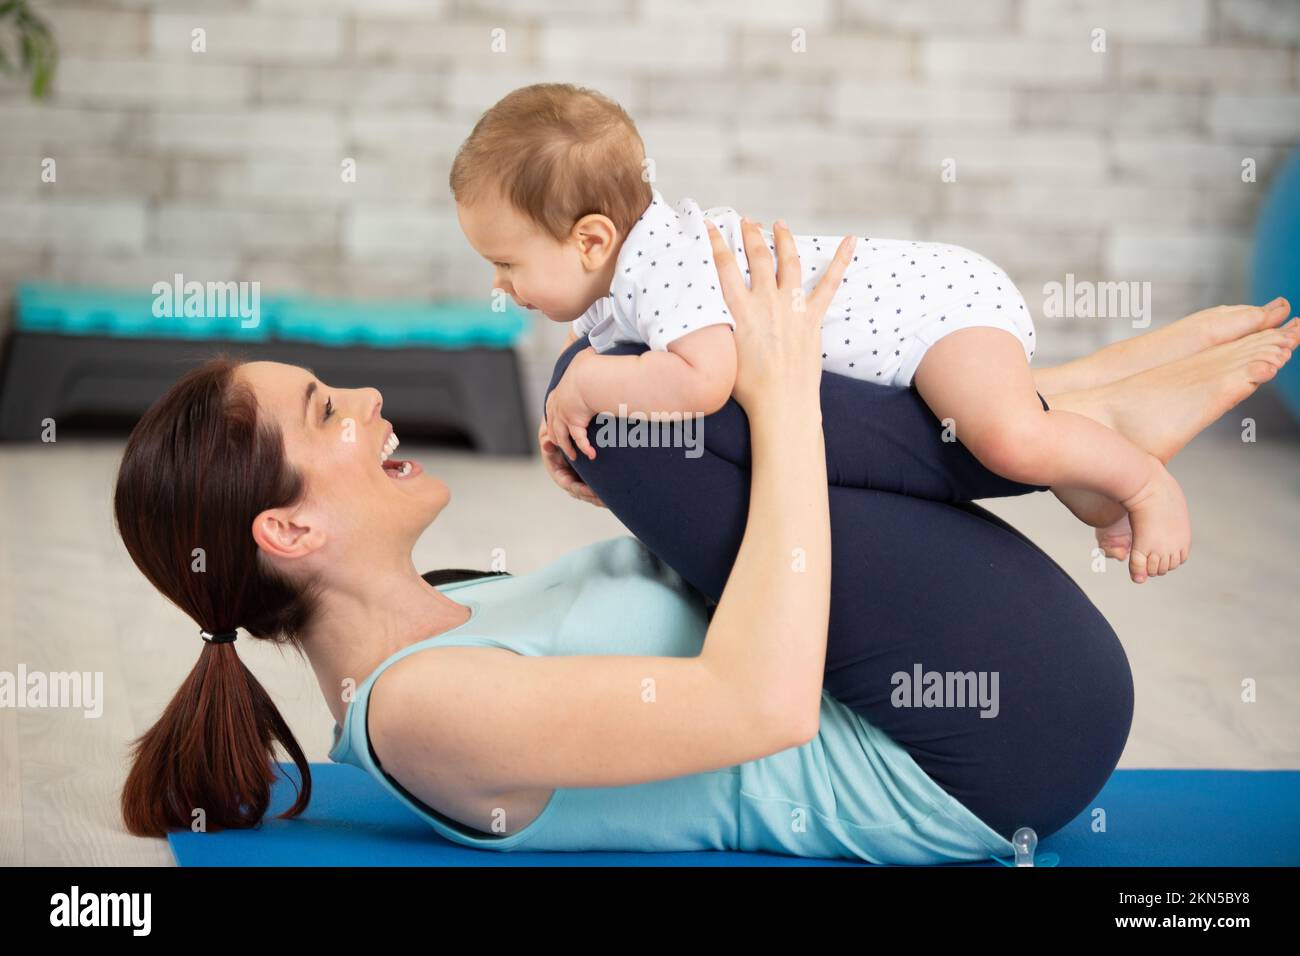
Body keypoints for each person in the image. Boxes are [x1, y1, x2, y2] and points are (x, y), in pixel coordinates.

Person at [115, 217, 1295, 863]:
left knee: (617, 395)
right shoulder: (414, 710)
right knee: (622, 404)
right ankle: (1062, 417)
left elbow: (734, 590)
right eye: (326, 411)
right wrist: (774, 400)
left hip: (970, 700)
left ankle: (1056, 416)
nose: (369, 399)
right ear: (288, 526)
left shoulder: (457, 604)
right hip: (989, 750)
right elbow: (762, 705)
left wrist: (669, 494)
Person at [451, 82, 1298, 584]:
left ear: (592, 239)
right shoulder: (622, 279)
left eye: (506, 262)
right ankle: (1091, 479)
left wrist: (587, 384)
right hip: (919, 326)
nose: (499, 285)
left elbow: (702, 382)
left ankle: (1145, 482)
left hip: (938, 312)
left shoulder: (661, 265)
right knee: (1011, 440)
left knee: (1007, 436)